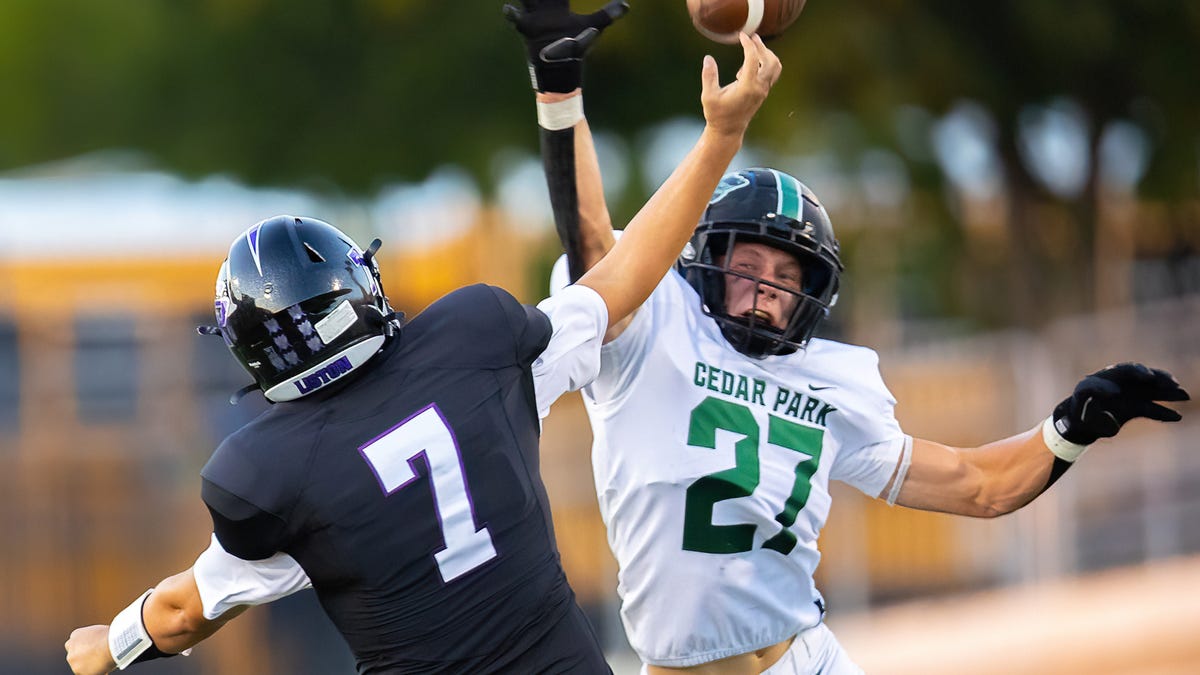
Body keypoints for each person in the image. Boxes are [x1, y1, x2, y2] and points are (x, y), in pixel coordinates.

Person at [62, 26, 783, 675]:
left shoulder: (270, 473)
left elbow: (187, 612)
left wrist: (109, 644)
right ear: (355, 284)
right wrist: (722, 134)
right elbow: (622, 277)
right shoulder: (478, 342)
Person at [507, 2, 1192, 674]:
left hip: (806, 658)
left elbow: (978, 485)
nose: (767, 284)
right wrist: (561, 92)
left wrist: (1070, 426)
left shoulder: (834, 379)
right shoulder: (653, 324)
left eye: (787, 271)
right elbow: (595, 242)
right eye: (747, 263)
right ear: (706, 259)